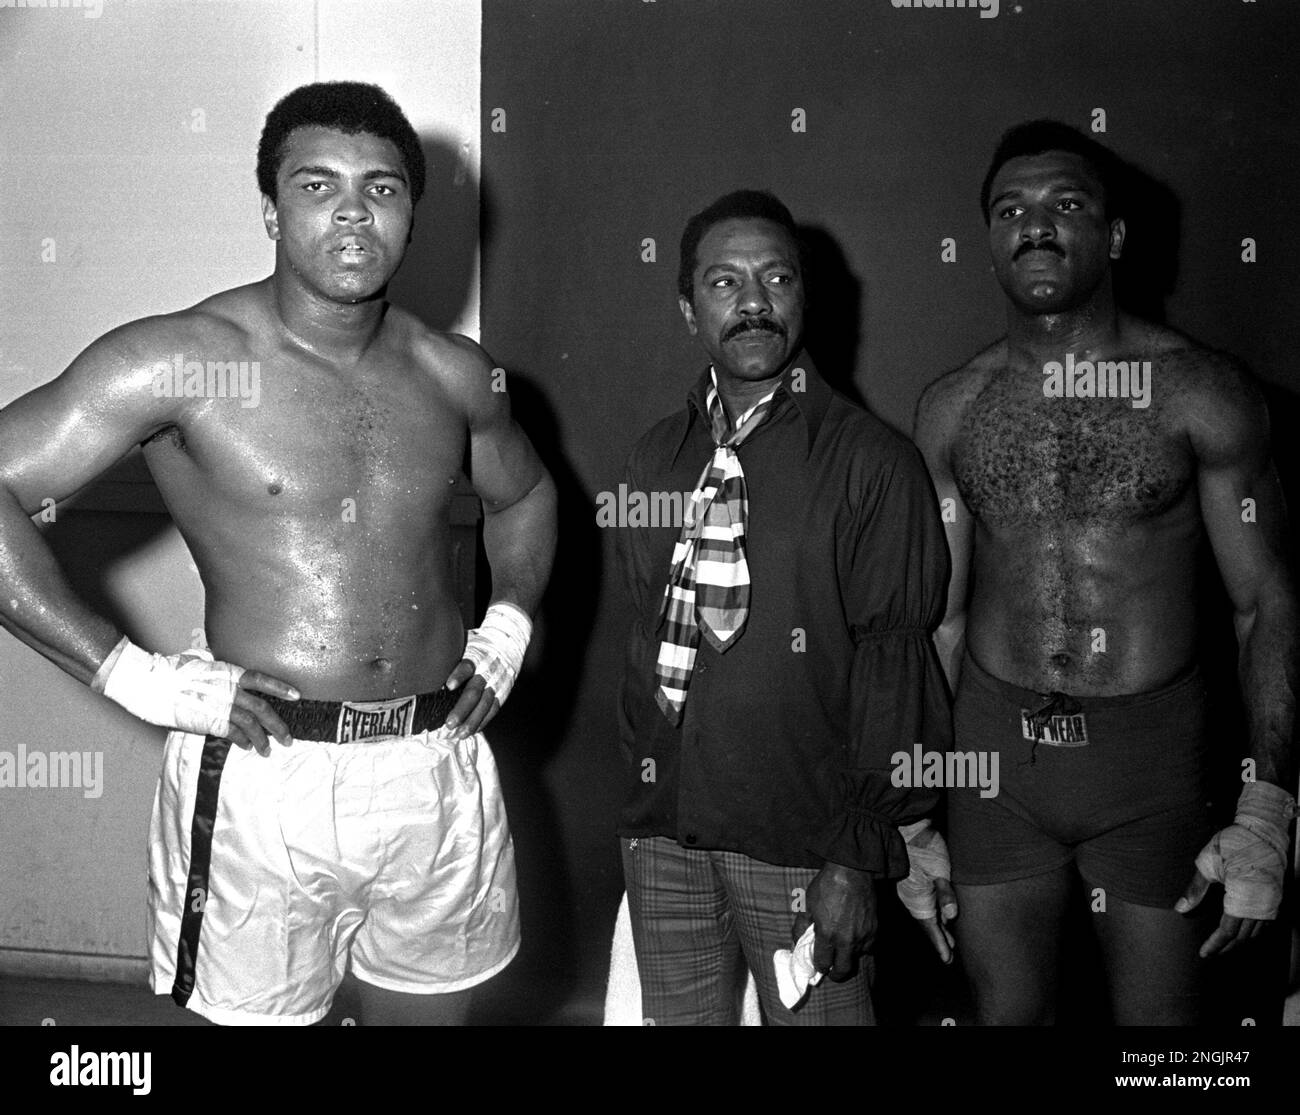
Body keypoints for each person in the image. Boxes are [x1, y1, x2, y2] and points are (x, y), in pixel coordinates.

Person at [0, 81, 556, 1026]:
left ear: (413, 216)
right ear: (269, 207)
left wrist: (509, 624)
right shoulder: (179, 359)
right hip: (266, 774)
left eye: (382, 188)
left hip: (436, 760)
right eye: (315, 185)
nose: (351, 209)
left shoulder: (454, 373)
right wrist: (133, 677)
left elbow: (528, 494)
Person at [914, 119, 1297, 1025]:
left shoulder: (1200, 392)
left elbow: (1266, 602)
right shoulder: (952, 408)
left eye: (1066, 204)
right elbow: (941, 621)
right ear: (989, 241)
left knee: (1163, 1053)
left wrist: (1270, 805)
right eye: (1012, 209)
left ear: (1115, 236)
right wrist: (909, 804)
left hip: (1152, 768)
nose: (1035, 226)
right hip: (993, 765)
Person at [614, 189, 954, 1026]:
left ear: (806, 295)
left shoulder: (874, 462)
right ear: (688, 306)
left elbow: (896, 666)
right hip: (666, 838)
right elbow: (650, 634)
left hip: (809, 847)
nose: (754, 302)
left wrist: (858, 853)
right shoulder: (657, 455)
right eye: (725, 283)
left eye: (777, 278)